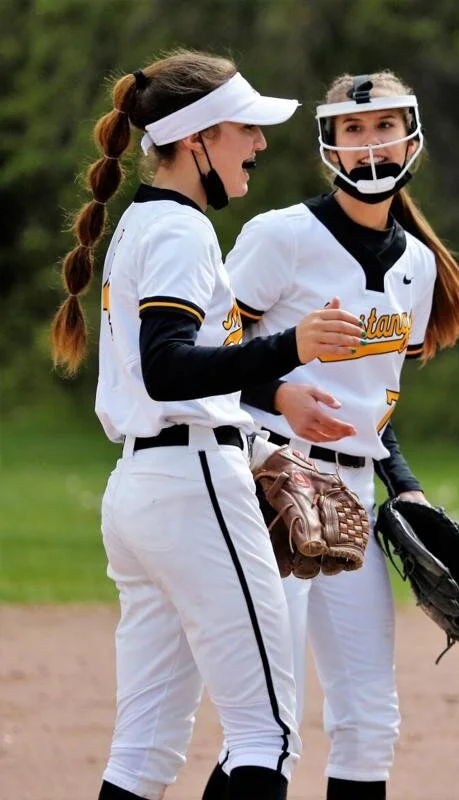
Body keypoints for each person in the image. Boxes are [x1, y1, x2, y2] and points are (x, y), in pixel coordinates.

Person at [49, 50, 364, 800]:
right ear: (197, 140)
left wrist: (276, 388)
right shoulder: (182, 232)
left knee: (143, 754)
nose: (257, 143)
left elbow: (180, 361)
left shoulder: (143, 225)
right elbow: (168, 365)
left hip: (143, 489)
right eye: (243, 129)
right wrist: (291, 345)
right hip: (193, 485)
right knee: (266, 734)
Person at [200, 70, 459, 800]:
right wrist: (279, 393)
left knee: (368, 721)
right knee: (270, 724)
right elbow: (202, 361)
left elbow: (374, 411)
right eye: (353, 130)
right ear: (329, 142)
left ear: (412, 137)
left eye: (383, 125)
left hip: (353, 496)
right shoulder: (280, 236)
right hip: (273, 482)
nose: (369, 144)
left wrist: (409, 489)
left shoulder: (417, 266)